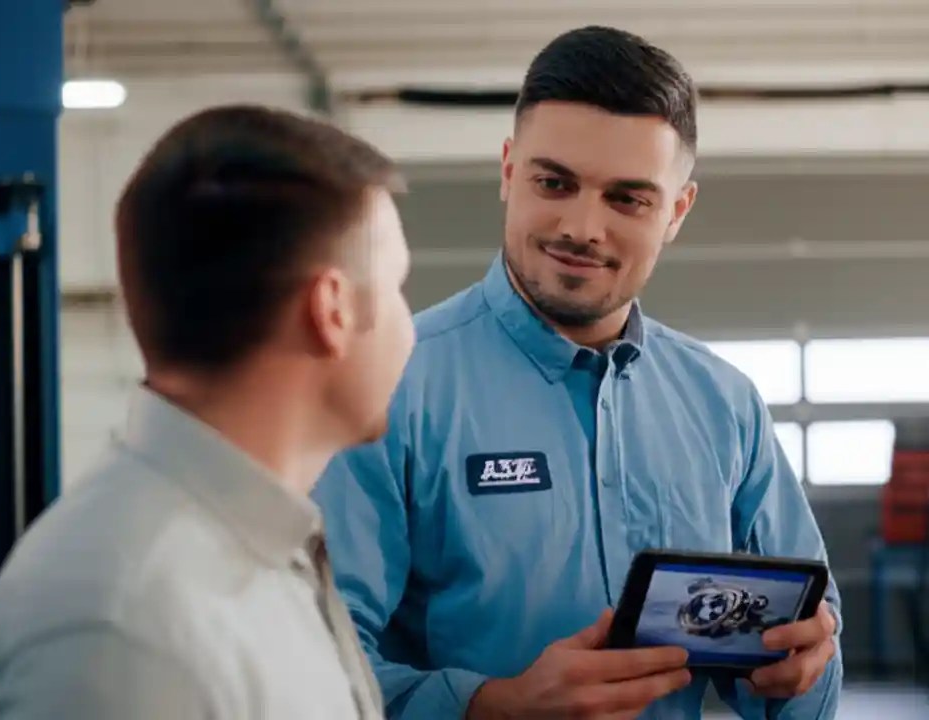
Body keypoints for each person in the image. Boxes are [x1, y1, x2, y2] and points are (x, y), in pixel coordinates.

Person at [313, 25, 842, 720]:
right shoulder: (391, 384)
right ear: (508, 172)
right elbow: (319, 661)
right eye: (554, 182)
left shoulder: (724, 405)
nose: (582, 227)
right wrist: (490, 707)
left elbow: (811, 655)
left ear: (676, 211)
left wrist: (800, 669)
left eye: (628, 198)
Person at [0, 105, 414, 719]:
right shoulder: (123, 636)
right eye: (397, 285)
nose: (411, 323)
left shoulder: (259, 556)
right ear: (332, 310)